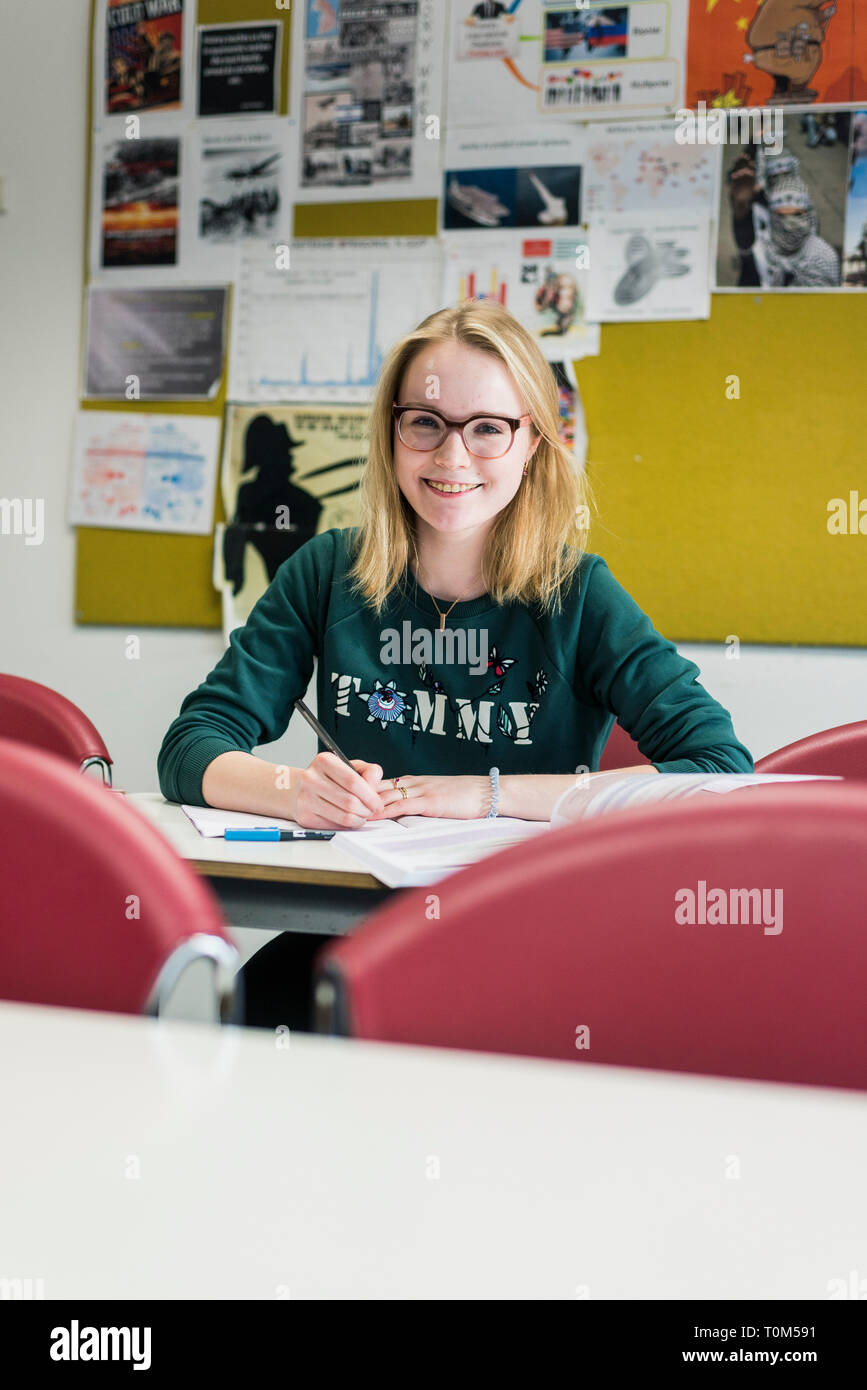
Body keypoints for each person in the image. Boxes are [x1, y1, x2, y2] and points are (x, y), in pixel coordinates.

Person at [158, 301, 753, 1025]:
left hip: (526, 940)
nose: (451, 458)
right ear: (392, 433)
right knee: (246, 1029)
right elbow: (191, 746)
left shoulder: (581, 596)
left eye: (488, 429)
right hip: (349, 932)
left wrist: (485, 793)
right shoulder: (325, 572)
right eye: (426, 424)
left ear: (531, 441)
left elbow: (721, 772)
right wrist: (289, 789)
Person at [727, 159, 840, 286]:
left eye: (797, 214)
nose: (789, 223)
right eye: (781, 216)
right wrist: (741, 203)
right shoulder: (760, 240)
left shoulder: (823, 255)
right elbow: (745, 235)